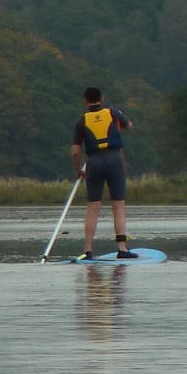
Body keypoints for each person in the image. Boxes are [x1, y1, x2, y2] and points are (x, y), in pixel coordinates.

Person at [71, 86, 136, 260]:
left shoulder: (82, 120)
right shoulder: (113, 112)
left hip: (94, 162)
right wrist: (118, 124)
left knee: (93, 207)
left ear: (85, 101)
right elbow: (129, 126)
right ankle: (122, 248)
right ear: (102, 98)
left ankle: (88, 251)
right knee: (118, 205)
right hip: (115, 160)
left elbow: (75, 152)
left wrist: (78, 171)